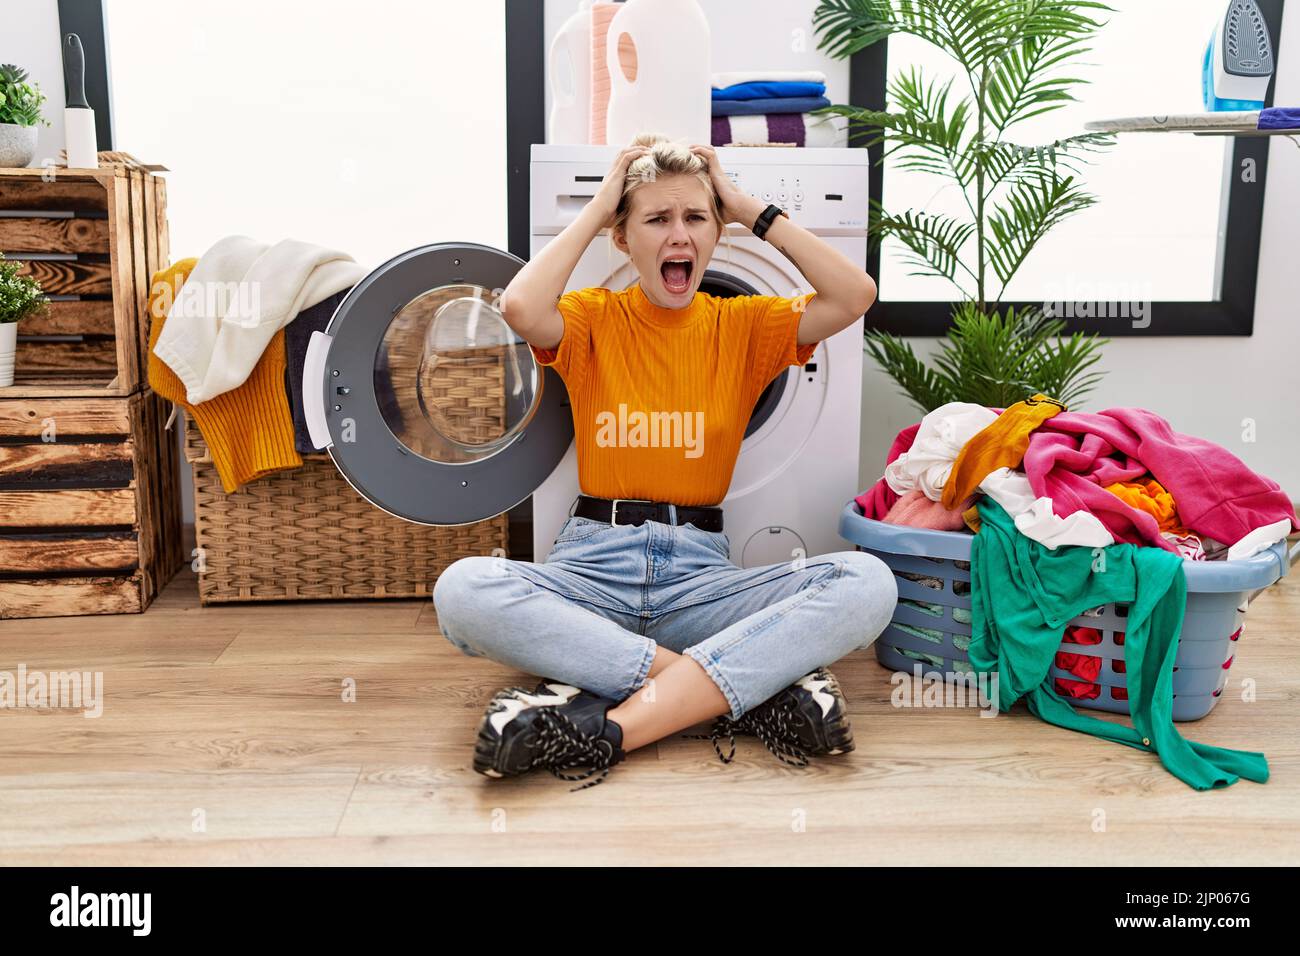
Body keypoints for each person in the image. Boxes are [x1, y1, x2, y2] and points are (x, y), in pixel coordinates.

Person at [433, 132, 897, 790]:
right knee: (463, 592)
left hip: (699, 582)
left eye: (695, 218)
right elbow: (517, 306)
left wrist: (744, 205)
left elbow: (853, 296)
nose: (678, 235)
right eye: (656, 219)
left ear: (717, 235)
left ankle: (610, 727)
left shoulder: (744, 326)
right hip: (591, 571)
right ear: (625, 240)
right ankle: (742, 691)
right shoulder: (593, 318)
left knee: (867, 583)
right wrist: (600, 207)